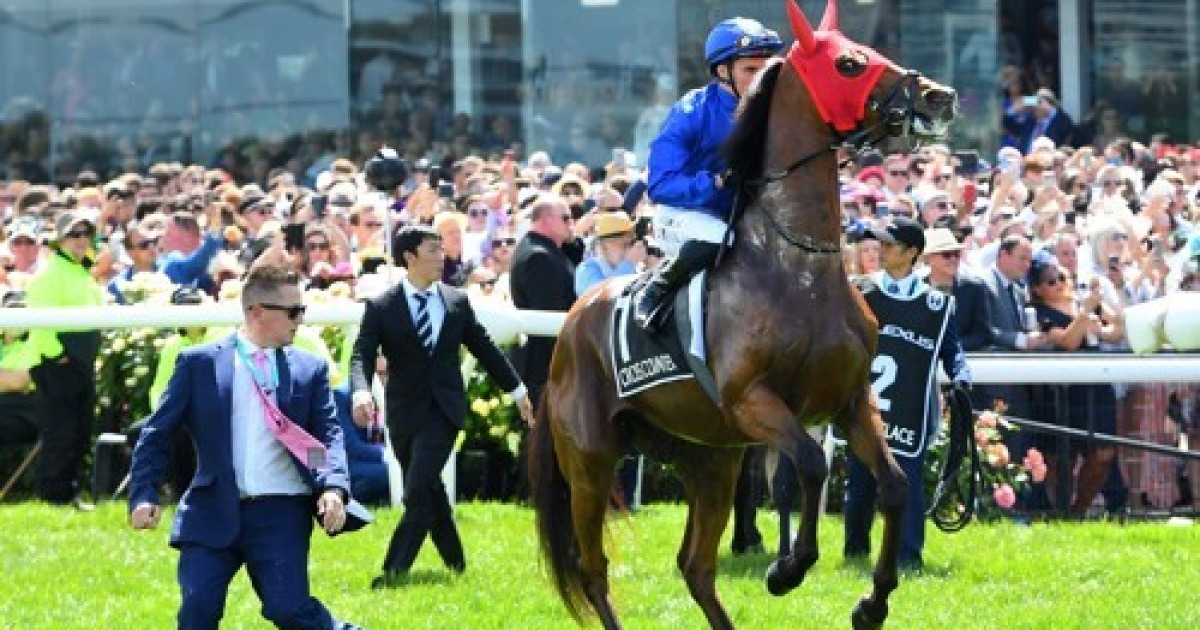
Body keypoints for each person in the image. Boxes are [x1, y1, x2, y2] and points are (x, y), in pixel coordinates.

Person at [128, 252, 363, 630]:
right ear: (257, 311)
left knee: (289, 611)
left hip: (281, 512)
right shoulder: (198, 364)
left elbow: (325, 439)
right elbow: (157, 433)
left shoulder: (309, 369)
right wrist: (144, 494)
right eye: (293, 311)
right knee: (197, 612)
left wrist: (332, 486)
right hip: (211, 508)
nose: (301, 319)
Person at [350, 225, 534, 588]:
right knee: (430, 489)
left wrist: (518, 391)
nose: (441, 256)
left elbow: (485, 349)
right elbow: (362, 354)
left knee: (416, 490)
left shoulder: (457, 301)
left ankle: (393, 572)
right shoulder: (381, 306)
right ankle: (455, 561)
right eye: (432, 250)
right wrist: (361, 391)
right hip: (403, 413)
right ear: (409, 258)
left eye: (441, 248)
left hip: (444, 411)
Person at [634, 17, 784, 329]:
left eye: (766, 69)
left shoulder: (775, 110)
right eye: (750, 70)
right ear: (721, 71)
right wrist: (714, 182)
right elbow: (659, 185)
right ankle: (655, 290)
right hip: (684, 214)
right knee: (720, 239)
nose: (761, 80)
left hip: (742, 216)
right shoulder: (691, 111)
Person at [844, 217, 971, 570]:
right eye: (880, 244)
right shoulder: (861, 290)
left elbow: (951, 349)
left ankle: (908, 555)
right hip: (865, 410)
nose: (881, 250)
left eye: (890, 245)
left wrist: (961, 373)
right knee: (861, 484)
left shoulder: (937, 305)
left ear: (913, 253)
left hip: (910, 411)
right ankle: (855, 551)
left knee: (908, 483)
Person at [25, 211, 104, 508]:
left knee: (80, 429)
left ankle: (69, 491)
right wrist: (58, 357)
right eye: (75, 234)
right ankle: (53, 494)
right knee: (61, 430)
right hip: (57, 363)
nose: (82, 240)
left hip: (78, 361)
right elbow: (40, 321)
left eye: (86, 234)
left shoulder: (80, 271)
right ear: (59, 240)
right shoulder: (50, 274)